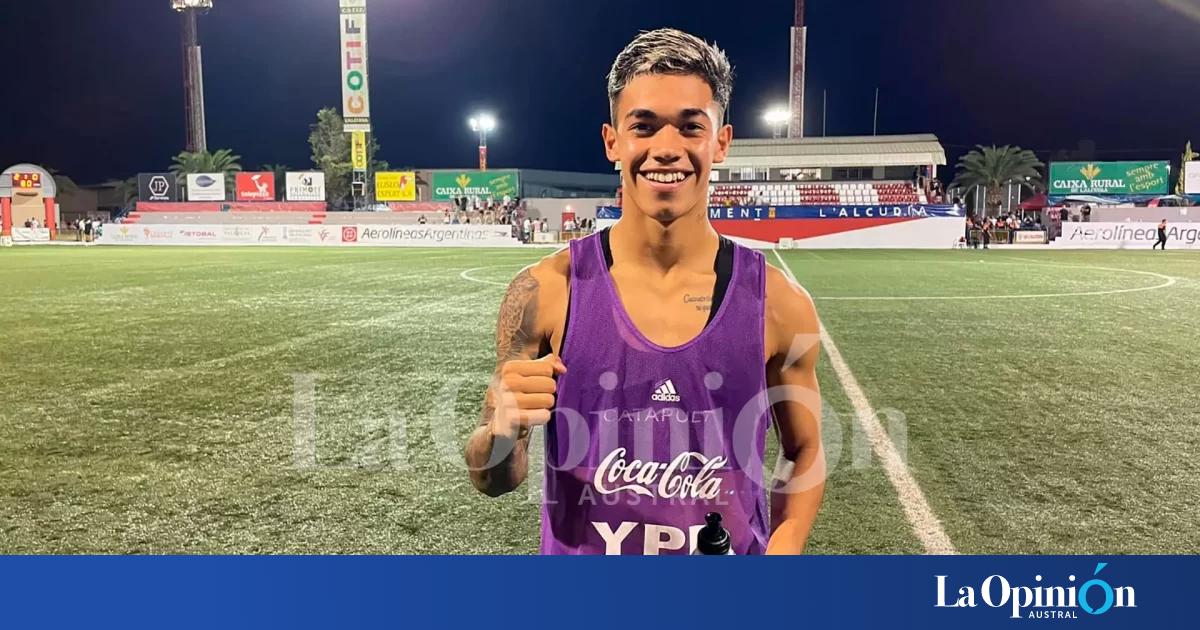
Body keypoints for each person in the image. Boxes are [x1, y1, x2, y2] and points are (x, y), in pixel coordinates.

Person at [464, 28, 823, 555]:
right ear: (613, 140)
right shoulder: (546, 291)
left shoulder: (779, 304)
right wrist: (501, 433)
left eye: (690, 127)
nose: (667, 148)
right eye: (645, 126)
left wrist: (784, 554)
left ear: (721, 143)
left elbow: (806, 447)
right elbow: (493, 478)